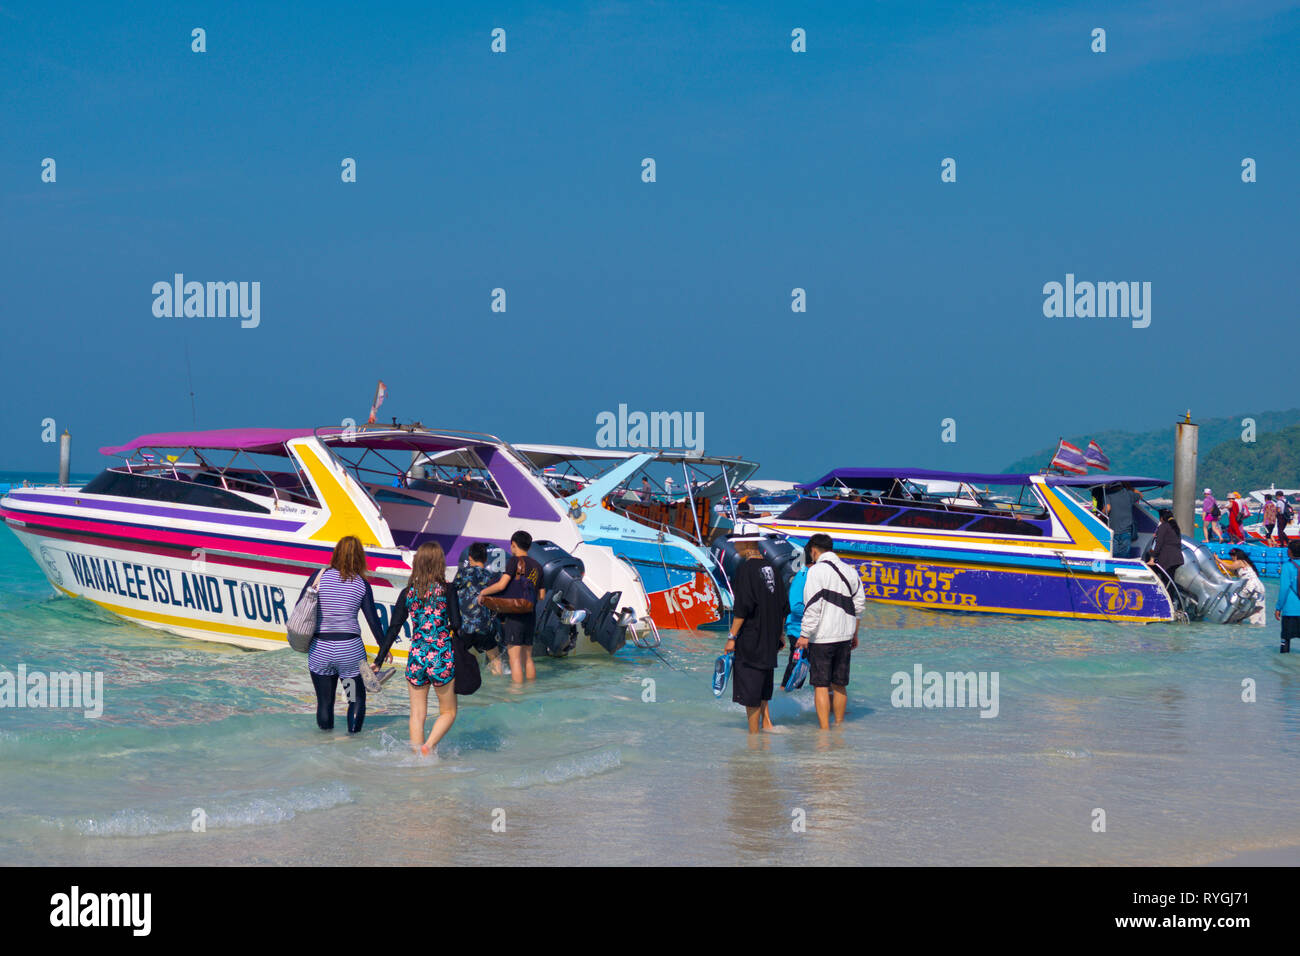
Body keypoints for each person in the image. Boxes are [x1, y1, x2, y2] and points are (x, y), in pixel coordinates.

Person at [374, 542, 461, 755]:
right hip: (440, 656)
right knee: (448, 712)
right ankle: (428, 746)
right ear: (439, 563)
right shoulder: (447, 590)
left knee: (416, 715)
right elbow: (458, 624)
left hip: (417, 657)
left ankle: (417, 764)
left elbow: (393, 629)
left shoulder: (407, 593)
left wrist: (378, 661)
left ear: (417, 563)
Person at [297, 535, 387, 734]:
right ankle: (353, 745)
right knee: (355, 699)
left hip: (321, 651)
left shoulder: (319, 576)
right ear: (360, 557)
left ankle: (325, 748)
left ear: (336, 553)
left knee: (325, 703)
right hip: (350, 654)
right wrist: (384, 647)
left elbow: (300, 608)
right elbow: (373, 621)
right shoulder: (362, 584)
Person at [798, 533, 866, 730]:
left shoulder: (816, 571)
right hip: (845, 635)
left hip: (822, 637)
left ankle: (824, 730)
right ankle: (839, 725)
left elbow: (812, 605)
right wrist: (854, 633)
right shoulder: (850, 570)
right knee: (839, 684)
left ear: (814, 550)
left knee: (820, 684)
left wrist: (804, 634)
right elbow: (859, 606)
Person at [723, 537, 789, 733]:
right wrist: (779, 634)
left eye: (736, 542)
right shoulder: (773, 568)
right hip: (770, 639)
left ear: (746, 543)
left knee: (750, 690)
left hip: (751, 638)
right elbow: (783, 606)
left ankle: (753, 736)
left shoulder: (745, 569)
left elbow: (742, 607)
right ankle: (767, 726)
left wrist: (731, 637)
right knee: (762, 686)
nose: (734, 546)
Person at [477, 530, 545, 684]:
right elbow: (541, 595)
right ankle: (531, 688)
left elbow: (502, 585)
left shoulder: (514, 561)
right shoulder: (538, 566)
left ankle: (517, 693)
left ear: (514, 545)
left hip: (515, 615)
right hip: (530, 614)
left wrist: (483, 592)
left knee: (514, 659)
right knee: (527, 658)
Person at [454, 542, 505, 675]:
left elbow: (451, 593)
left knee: (456, 658)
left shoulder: (462, 574)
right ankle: (501, 688)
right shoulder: (491, 577)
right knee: (495, 659)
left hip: (465, 627)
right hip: (485, 627)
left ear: (469, 558)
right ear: (486, 559)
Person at [780, 544, 813, 688]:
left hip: (808, 630)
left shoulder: (812, 575)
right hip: (798, 631)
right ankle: (784, 704)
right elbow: (795, 606)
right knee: (795, 673)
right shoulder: (803, 576)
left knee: (801, 674)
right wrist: (819, 616)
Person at [1224, 548, 1266, 626]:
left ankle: (1255, 624)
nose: (1231, 557)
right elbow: (1234, 571)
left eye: (1232, 555)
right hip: (1254, 586)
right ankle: (1243, 622)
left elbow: (1230, 567)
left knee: (1253, 606)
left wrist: (1217, 559)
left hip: (1253, 586)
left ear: (1236, 556)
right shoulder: (1243, 564)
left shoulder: (1240, 562)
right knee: (1249, 606)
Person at [1274, 540, 1300, 653]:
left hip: (1290, 610)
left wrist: (1278, 607)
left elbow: (1284, 589)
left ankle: (1282, 668)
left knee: (1285, 641)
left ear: (1290, 551)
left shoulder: (1287, 566)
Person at [1145, 509, 1184, 581]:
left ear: (1162, 518)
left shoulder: (1163, 527)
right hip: (1177, 558)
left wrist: (1152, 557)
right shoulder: (1175, 527)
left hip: (1167, 559)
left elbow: (1158, 544)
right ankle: (1170, 591)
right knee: (1170, 578)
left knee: (1154, 569)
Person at [1104, 482, 1140, 558]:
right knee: (1124, 555)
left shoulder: (1108, 495)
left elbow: (1108, 508)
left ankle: (1114, 568)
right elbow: (1140, 495)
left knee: (1114, 555)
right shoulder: (1129, 494)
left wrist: (1100, 514)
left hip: (1113, 529)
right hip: (1126, 530)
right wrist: (1130, 488)